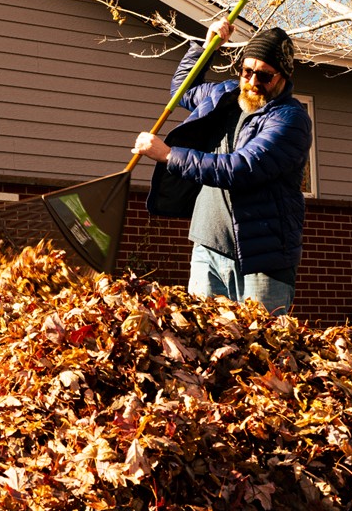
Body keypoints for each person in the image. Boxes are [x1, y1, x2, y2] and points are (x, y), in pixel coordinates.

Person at [131, 20, 313, 315]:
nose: (253, 82)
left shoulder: (290, 119)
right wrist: (206, 47)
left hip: (261, 258)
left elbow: (242, 168)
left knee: (262, 347)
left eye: (264, 75)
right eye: (247, 71)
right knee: (208, 341)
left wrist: (168, 156)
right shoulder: (225, 95)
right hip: (208, 246)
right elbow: (182, 88)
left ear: (283, 76)